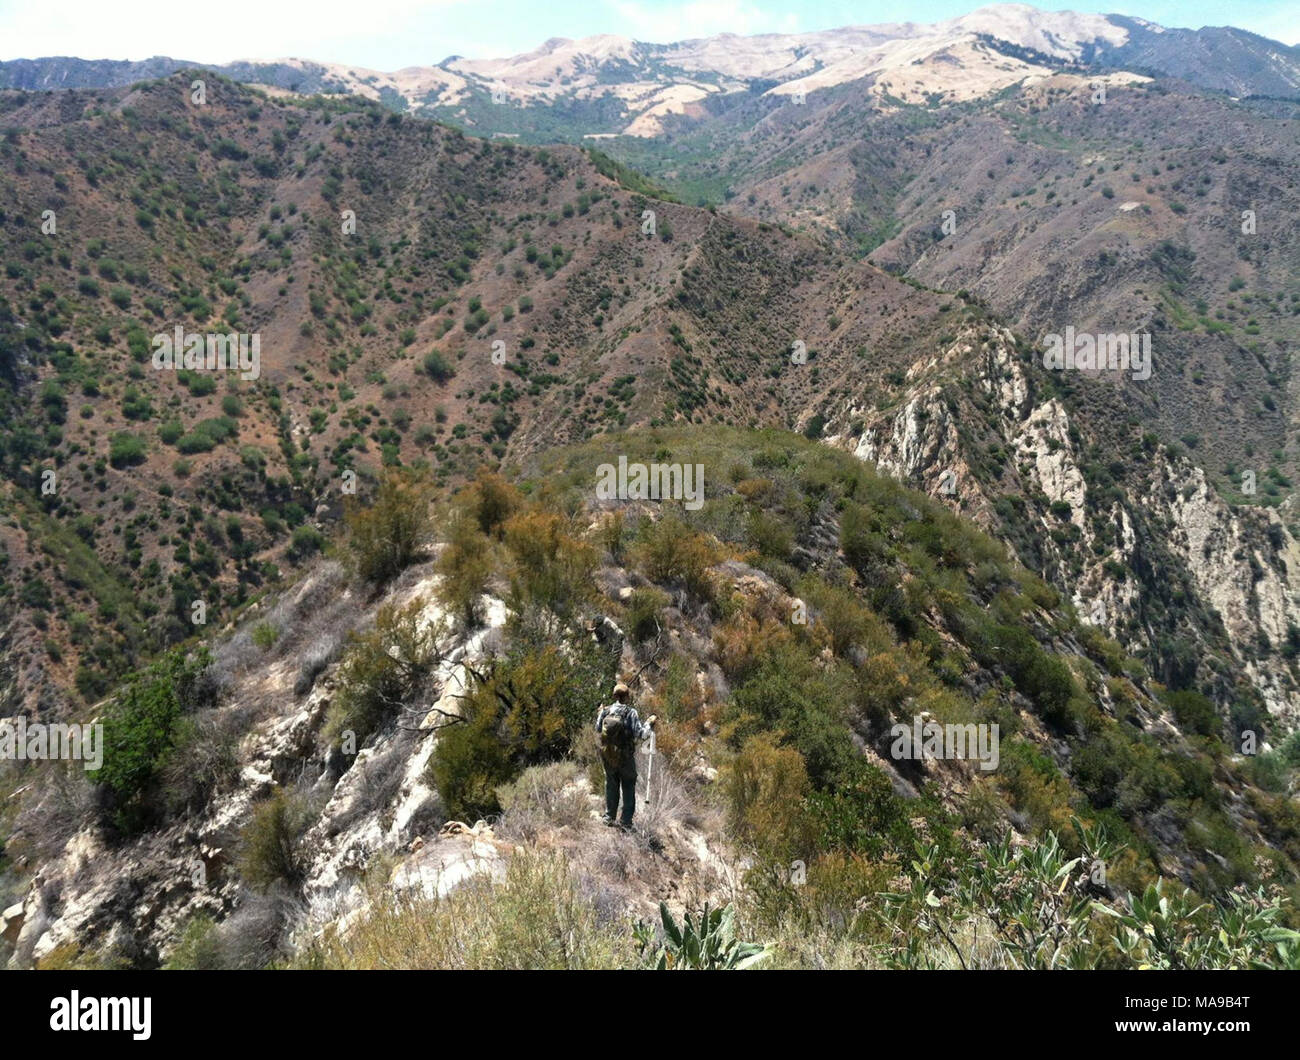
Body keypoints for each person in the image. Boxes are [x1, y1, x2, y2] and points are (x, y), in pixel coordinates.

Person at [595, 682, 656, 830]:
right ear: (627, 697)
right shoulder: (631, 712)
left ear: (615, 696)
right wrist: (649, 723)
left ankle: (609, 817)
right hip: (625, 757)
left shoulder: (606, 711)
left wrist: (599, 713)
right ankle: (626, 821)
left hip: (608, 755)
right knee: (628, 786)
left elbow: (598, 728)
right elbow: (641, 734)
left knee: (611, 784)